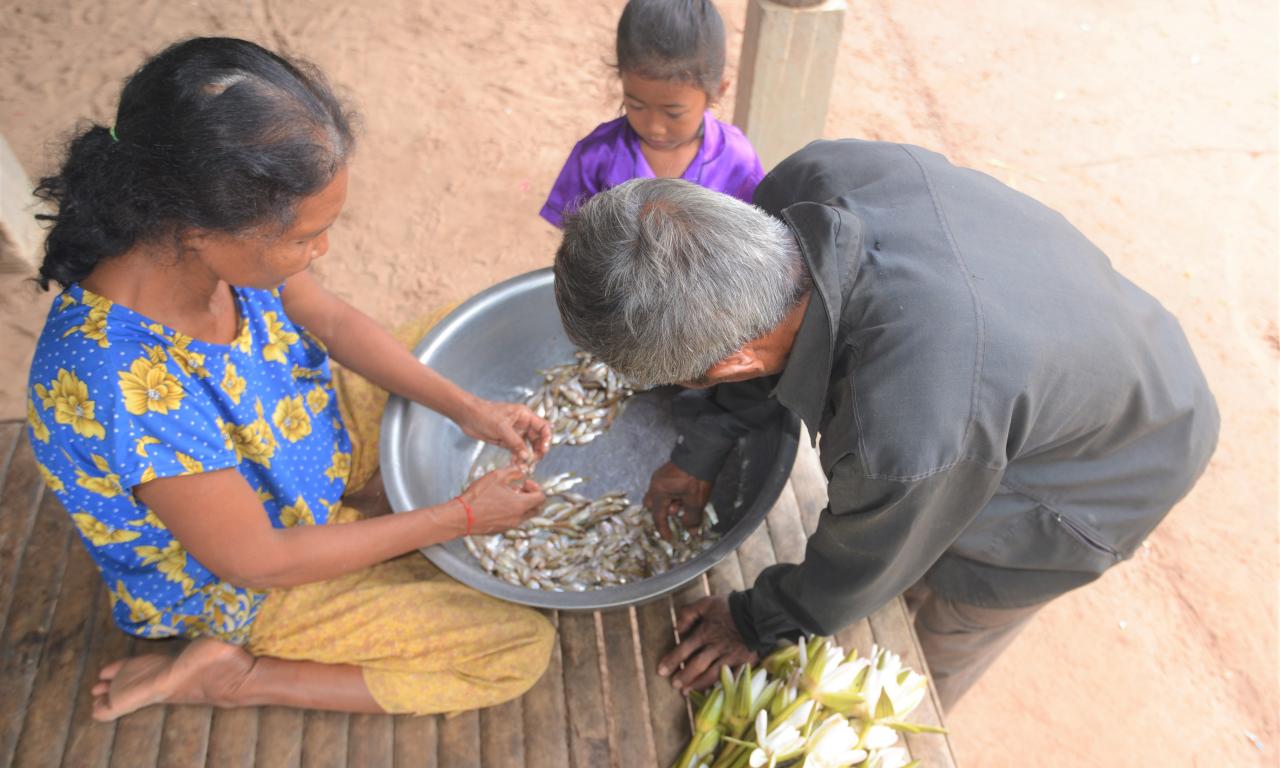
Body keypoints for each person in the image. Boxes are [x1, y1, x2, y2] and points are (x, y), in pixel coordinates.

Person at [553, 140, 1220, 710]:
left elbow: (867, 559)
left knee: (925, 642)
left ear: (734, 361)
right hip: (1080, 333)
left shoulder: (901, 429)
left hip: (1109, 462)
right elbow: (764, 330)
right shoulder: (807, 182)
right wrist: (700, 449)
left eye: (688, 380)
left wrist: (754, 620)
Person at [26, 37, 557, 721]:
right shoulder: (121, 383)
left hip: (301, 449)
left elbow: (330, 321)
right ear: (199, 227)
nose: (322, 250)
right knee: (515, 650)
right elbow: (260, 560)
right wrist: (459, 517)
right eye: (306, 237)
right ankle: (230, 676)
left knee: (452, 328)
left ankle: (365, 499)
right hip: (244, 579)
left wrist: (468, 408)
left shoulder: (210, 246)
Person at [539, 0, 764, 228]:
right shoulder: (596, 156)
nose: (654, 127)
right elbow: (574, 235)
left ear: (716, 92)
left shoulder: (738, 160)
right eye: (636, 106)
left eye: (673, 113)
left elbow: (755, 233)